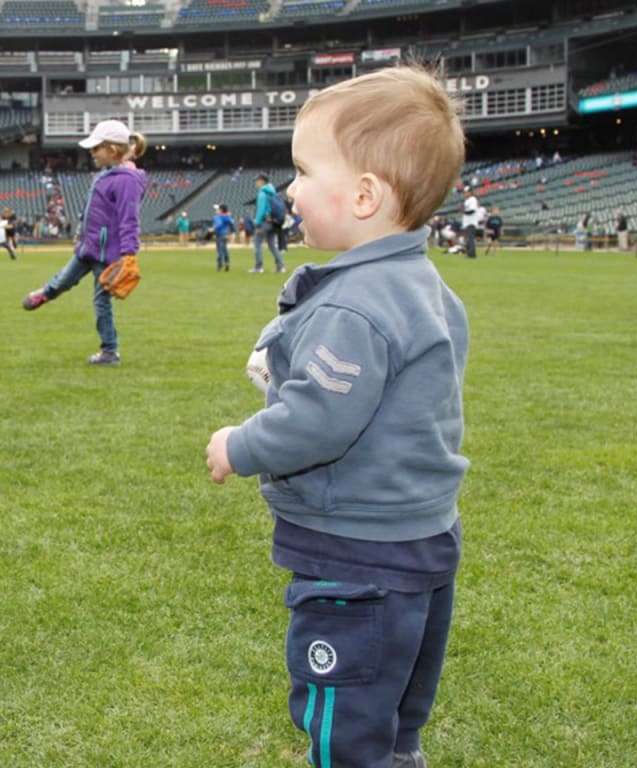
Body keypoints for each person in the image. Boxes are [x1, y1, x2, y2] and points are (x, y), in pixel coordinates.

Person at [204, 66, 468, 768]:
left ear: (362, 194)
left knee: (344, 716)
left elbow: (317, 422)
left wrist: (239, 443)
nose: (289, 189)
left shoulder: (356, 304)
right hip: (420, 541)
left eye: (302, 170)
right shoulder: (426, 287)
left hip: (358, 554)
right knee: (392, 711)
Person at [20, 119, 146, 367]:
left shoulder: (126, 180)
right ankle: (46, 293)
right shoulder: (106, 174)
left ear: (112, 150)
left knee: (101, 302)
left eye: (96, 148)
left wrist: (129, 254)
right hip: (88, 247)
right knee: (64, 279)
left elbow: (128, 218)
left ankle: (109, 351)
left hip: (108, 254)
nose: (92, 153)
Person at [252, 173, 286, 273]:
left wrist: (257, 223)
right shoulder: (272, 192)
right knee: (272, 245)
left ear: (262, 181)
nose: (255, 183)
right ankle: (280, 266)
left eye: (257, 180)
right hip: (273, 222)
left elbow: (261, 210)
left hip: (264, 222)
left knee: (257, 244)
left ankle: (259, 267)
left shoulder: (262, 193)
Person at [212, 203, 234, 271]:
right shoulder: (227, 216)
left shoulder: (218, 217)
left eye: (219, 209)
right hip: (225, 234)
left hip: (219, 235)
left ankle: (220, 265)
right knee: (225, 250)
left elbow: (218, 224)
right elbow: (232, 222)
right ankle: (227, 263)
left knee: (219, 251)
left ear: (221, 210)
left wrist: (213, 228)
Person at [460, 187, 481, 258]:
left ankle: (471, 254)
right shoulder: (468, 200)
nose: (465, 193)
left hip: (471, 222)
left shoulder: (472, 199)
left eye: (466, 192)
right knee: (468, 239)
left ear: (470, 192)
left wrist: (464, 211)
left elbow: (472, 210)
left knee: (470, 238)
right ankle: (469, 253)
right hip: (467, 222)